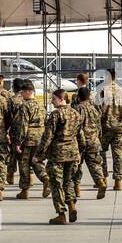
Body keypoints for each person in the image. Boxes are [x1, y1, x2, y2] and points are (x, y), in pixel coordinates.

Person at [39, 88, 85, 224]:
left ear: (62, 99)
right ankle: (72, 206)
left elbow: (47, 137)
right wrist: (80, 153)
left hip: (57, 155)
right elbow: (81, 137)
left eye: (54, 99)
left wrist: (39, 155)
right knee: (68, 181)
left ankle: (61, 214)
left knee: (55, 184)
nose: (52, 102)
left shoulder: (55, 115)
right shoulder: (76, 114)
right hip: (73, 154)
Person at [10, 79, 50, 200]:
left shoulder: (24, 106)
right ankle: (45, 178)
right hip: (40, 138)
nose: (21, 94)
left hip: (28, 139)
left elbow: (23, 125)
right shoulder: (41, 106)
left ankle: (25, 190)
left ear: (28, 92)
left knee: (24, 165)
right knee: (37, 161)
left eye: (22, 92)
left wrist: (18, 142)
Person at [98, 68, 122, 190]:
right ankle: (118, 182)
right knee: (118, 155)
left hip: (105, 128)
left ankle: (103, 180)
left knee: (101, 154)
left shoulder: (102, 91)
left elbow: (98, 110)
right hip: (120, 128)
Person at [73, 86, 108, 200]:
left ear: (78, 97)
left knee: (77, 166)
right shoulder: (95, 108)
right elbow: (99, 126)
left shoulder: (77, 109)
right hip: (94, 140)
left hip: (81, 142)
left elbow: (76, 127)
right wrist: (99, 139)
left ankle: (76, 188)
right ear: (89, 97)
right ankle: (101, 182)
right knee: (95, 165)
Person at [6, 77, 25, 185]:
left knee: (12, 154)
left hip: (15, 131)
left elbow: (8, 117)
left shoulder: (12, 100)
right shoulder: (27, 99)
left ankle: (11, 175)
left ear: (14, 88)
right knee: (24, 156)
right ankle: (28, 177)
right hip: (27, 132)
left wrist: (6, 131)